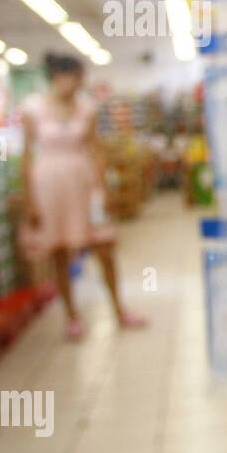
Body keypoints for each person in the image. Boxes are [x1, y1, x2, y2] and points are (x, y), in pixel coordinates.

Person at [21, 53, 147, 340]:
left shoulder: (86, 109)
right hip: (50, 187)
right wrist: (29, 199)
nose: (78, 84)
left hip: (84, 184)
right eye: (74, 78)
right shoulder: (33, 109)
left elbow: (97, 150)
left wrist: (104, 189)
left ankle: (119, 309)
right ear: (57, 77)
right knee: (60, 252)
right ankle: (72, 316)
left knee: (104, 248)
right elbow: (27, 157)